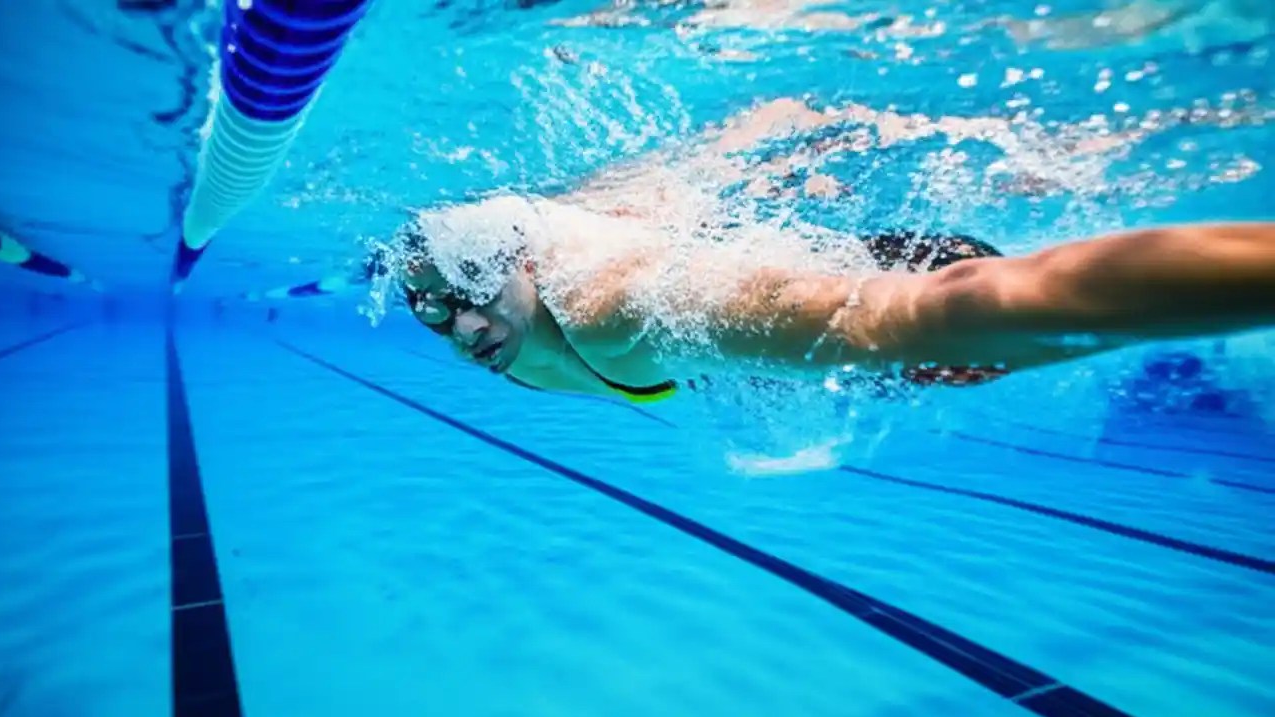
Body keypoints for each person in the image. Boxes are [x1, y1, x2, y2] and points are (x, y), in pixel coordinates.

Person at [391, 101, 1275, 404]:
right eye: (429, 307)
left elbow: (902, 314)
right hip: (774, 260)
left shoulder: (616, 306)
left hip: (865, 267)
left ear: (527, 261)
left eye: (469, 289)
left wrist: (924, 332)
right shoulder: (510, 316)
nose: (458, 325)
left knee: (927, 327)